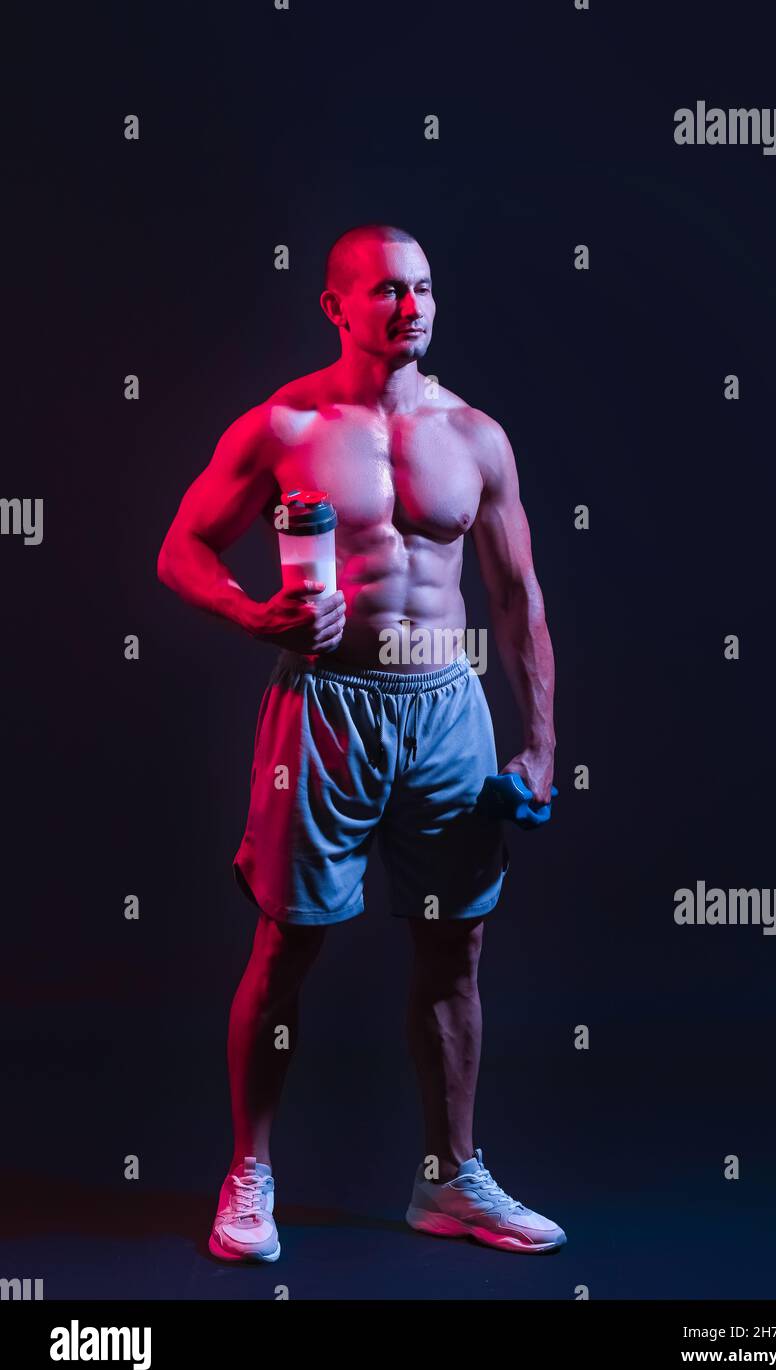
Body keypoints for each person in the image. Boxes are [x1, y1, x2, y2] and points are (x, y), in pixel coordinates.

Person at [156, 223, 565, 1259]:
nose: (410, 307)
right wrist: (256, 616)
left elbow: (516, 596)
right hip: (326, 708)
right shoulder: (284, 427)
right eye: (385, 290)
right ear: (336, 306)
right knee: (286, 944)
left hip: (447, 708)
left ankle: (450, 1180)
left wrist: (539, 744)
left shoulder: (475, 435)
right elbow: (182, 550)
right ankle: (249, 1174)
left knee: (454, 948)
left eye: (421, 288)